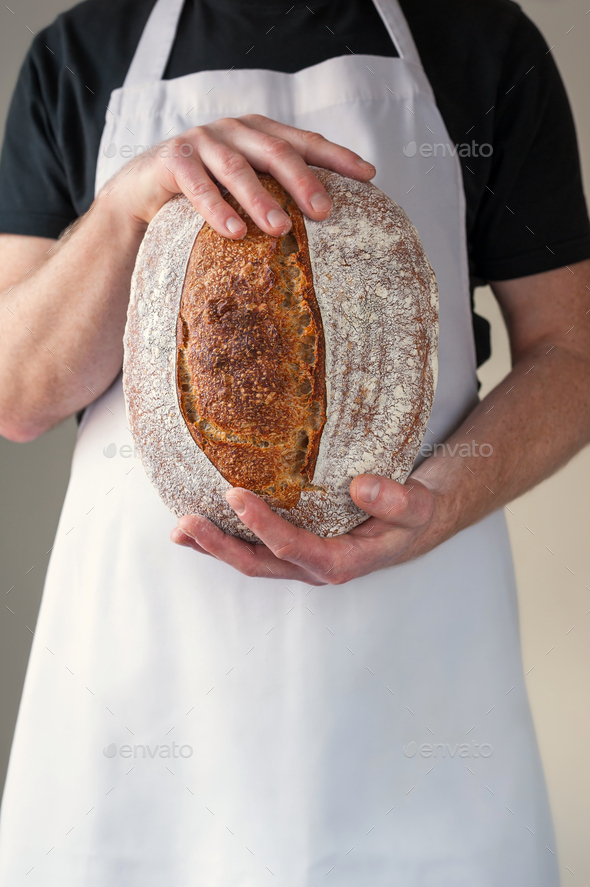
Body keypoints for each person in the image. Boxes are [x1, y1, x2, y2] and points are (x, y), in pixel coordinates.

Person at [0, 0, 589, 882]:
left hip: (411, 679)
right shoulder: (82, 56)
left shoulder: (483, 40)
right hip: (145, 685)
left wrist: (443, 503)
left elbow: (572, 353)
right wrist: (127, 206)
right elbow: (17, 394)